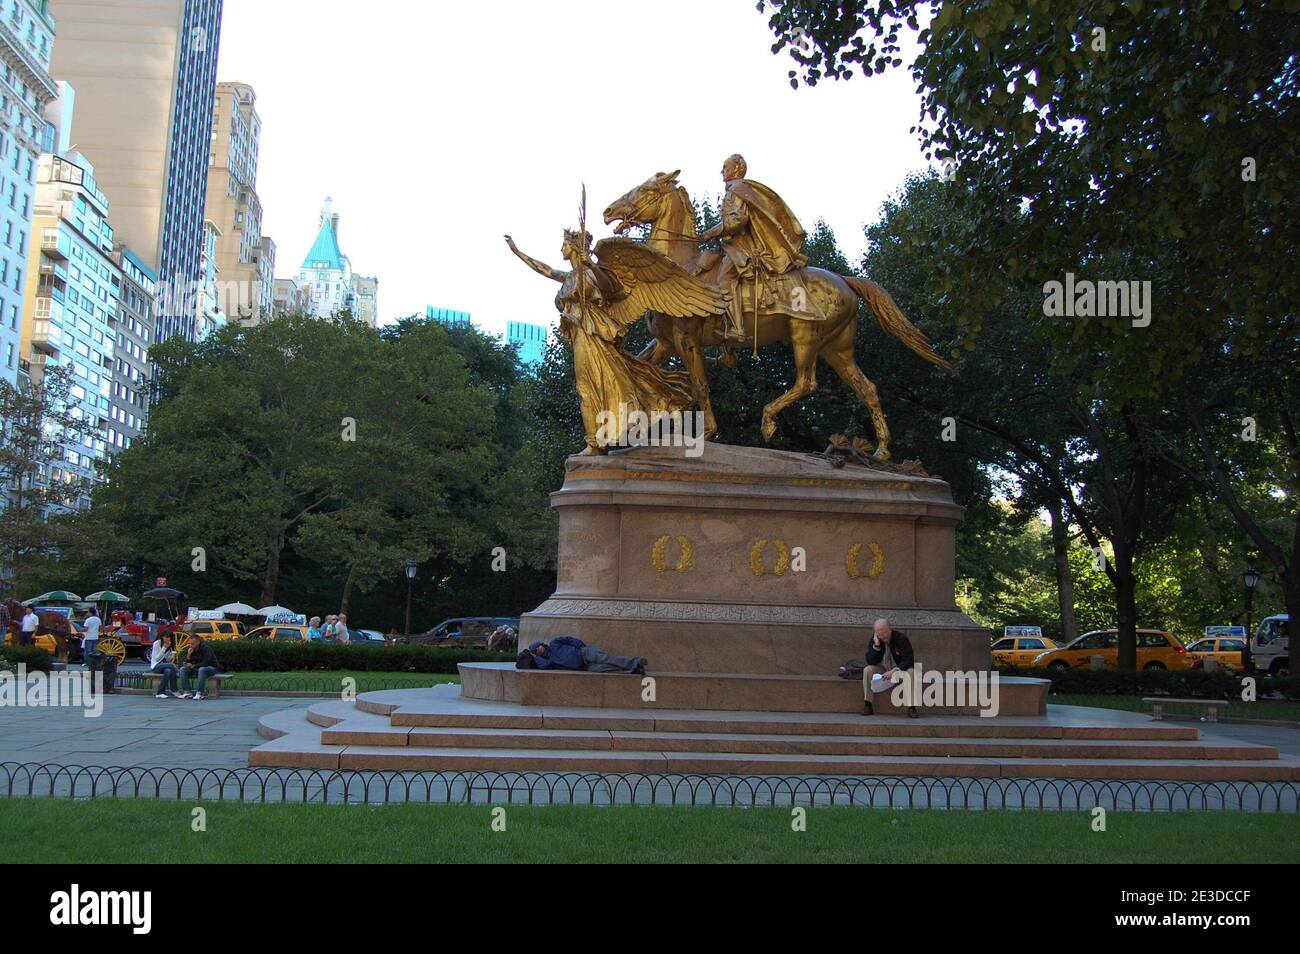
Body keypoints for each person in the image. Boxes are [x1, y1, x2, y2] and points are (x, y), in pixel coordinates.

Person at [697, 153, 809, 340]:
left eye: (725, 167)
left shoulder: (737, 189)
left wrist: (713, 232)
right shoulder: (737, 189)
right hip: (732, 244)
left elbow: (738, 219)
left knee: (725, 277)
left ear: (737, 169)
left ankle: (737, 328)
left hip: (743, 246)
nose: (721, 171)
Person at [862, 618, 919, 719]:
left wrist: (894, 671)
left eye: (884, 633)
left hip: (899, 670)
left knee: (911, 672)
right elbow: (870, 661)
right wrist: (876, 646)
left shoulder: (901, 638)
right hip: (883, 670)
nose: (882, 636)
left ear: (890, 629)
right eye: (879, 633)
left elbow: (909, 660)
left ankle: (912, 707)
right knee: (867, 670)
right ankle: (868, 704)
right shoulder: (875, 640)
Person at [517, 636, 646, 675]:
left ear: (542, 645)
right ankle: (633, 670)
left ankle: (636, 662)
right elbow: (544, 666)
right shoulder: (548, 661)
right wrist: (536, 658)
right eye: (536, 649)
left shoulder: (554, 643)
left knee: (607, 659)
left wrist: (581, 646)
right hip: (583, 667)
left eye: (538, 646)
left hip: (584, 653)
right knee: (607, 669)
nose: (538, 648)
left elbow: (568, 639)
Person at [178, 633, 221, 701]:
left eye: (192, 644)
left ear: (198, 642)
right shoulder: (190, 649)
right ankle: (187, 692)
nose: (190, 645)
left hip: (211, 668)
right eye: (190, 643)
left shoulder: (206, 649)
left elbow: (206, 663)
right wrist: (188, 656)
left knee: (202, 669)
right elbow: (182, 662)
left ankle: (200, 693)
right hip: (196, 668)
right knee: (182, 669)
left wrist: (193, 666)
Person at [149, 632, 181, 698]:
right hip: (156, 666)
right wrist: (164, 648)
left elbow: (168, 660)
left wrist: (172, 656)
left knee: (168, 670)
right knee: (172, 666)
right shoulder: (157, 643)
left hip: (165, 666)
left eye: (169, 637)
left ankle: (160, 692)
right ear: (162, 637)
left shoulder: (170, 645)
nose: (167, 639)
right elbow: (157, 659)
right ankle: (174, 689)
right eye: (166, 637)